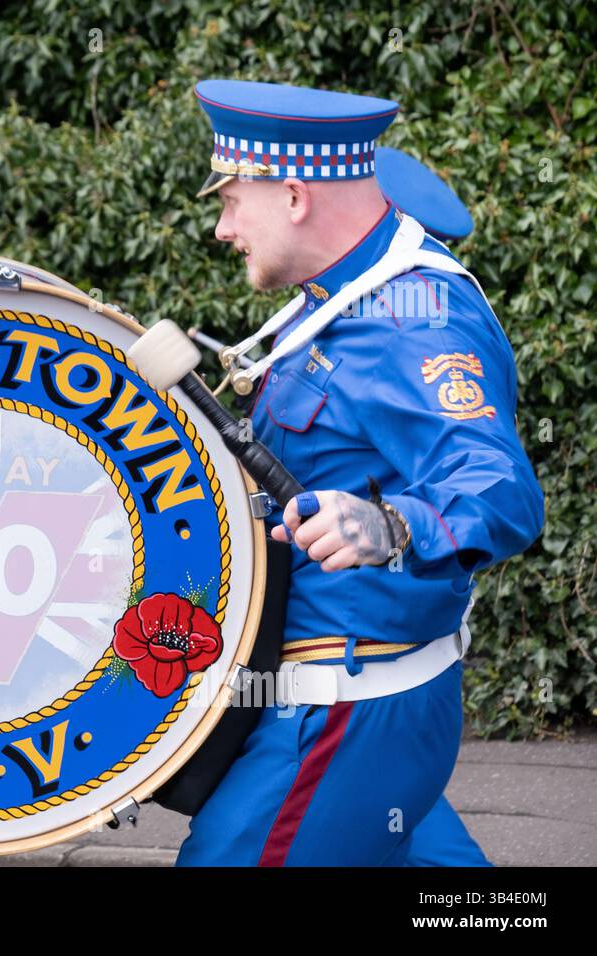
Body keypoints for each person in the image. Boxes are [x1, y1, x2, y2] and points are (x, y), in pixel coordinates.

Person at [173, 80, 544, 865]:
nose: (222, 226)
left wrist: (391, 525)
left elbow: (501, 488)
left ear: (296, 194)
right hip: (352, 701)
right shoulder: (340, 297)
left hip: (344, 707)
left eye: (234, 200)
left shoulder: (413, 318)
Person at [374, 145, 490, 867]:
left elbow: (486, 484)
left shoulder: (415, 317)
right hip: (363, 658)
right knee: (413, 836)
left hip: (376, 653)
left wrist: (390, 526)